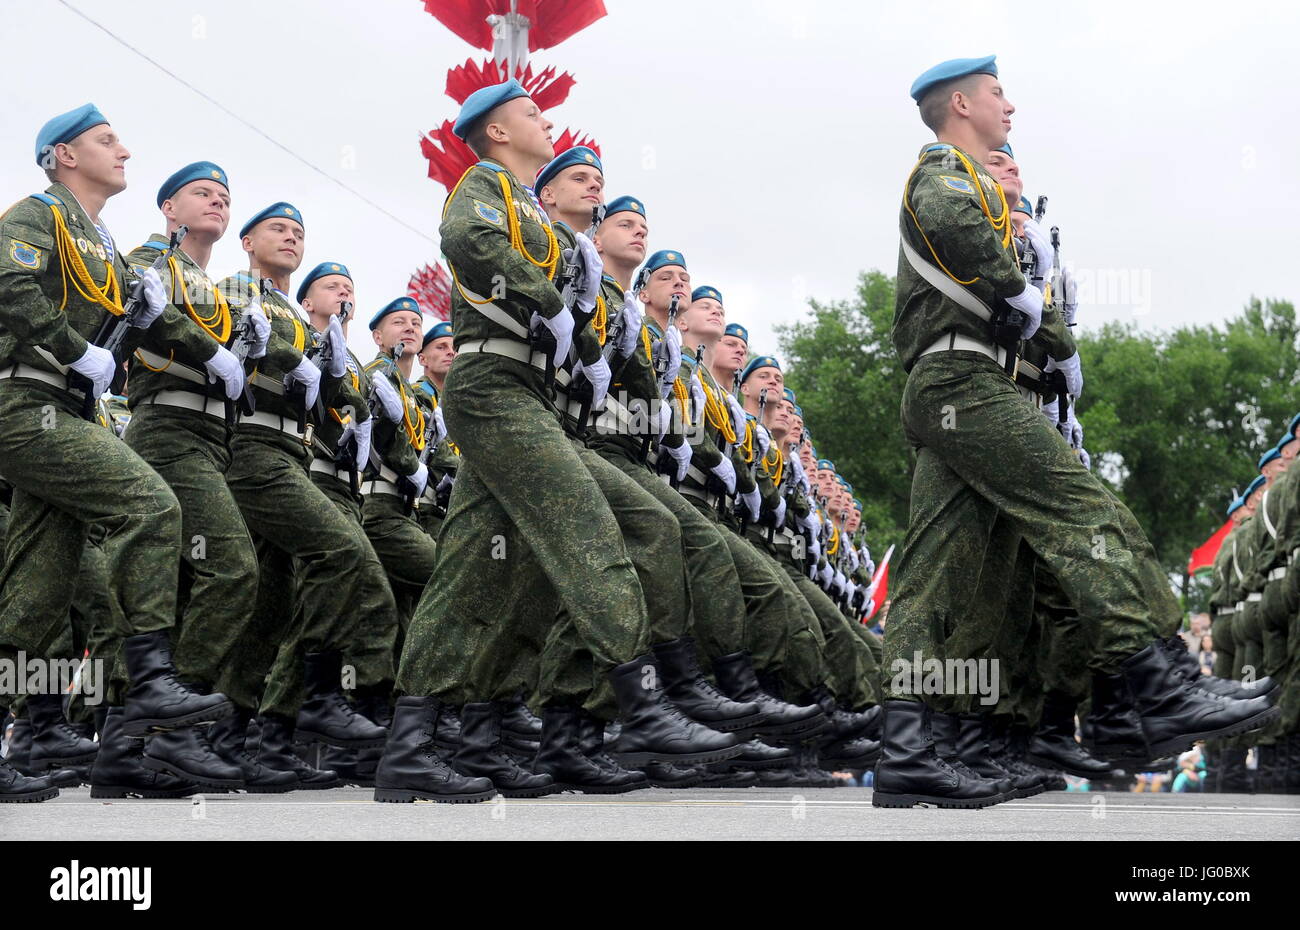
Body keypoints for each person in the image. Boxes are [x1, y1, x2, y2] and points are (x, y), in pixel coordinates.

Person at [875, 56, 1276, 809]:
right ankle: (1159, 680)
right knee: (1085, 514)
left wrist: (1043, 327)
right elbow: (958, 228)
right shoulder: (944, 173)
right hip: (962, 380)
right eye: (998, 94)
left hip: (961, 384)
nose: (1011, 107)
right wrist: (1036, 307)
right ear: (960, 104)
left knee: (943, 578)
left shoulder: (970, 181)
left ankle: (913, 749)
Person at [374, 80, 737, 804]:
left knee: (476, 574)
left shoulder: (530, 212)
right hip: (494, 388)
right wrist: (546, 305)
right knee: (593, 528)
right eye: (532, 115)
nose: (545, 121)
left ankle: (424, 745)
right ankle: (644, 697)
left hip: (526, 393)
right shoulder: (483, 187)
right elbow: (465, 241)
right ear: (498, 132)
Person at [0, 105, 230, 802]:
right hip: (24, 404)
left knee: (36, 596)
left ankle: (80, 739)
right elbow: (8, 285)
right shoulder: (37, 214)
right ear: (64, 155)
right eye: (106, 141)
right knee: (150, 504)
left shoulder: (102, 240)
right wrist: (76, 351)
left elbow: (152, 320)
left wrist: (215, 353)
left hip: (64, 409)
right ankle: (151, 674)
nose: (123, 149)